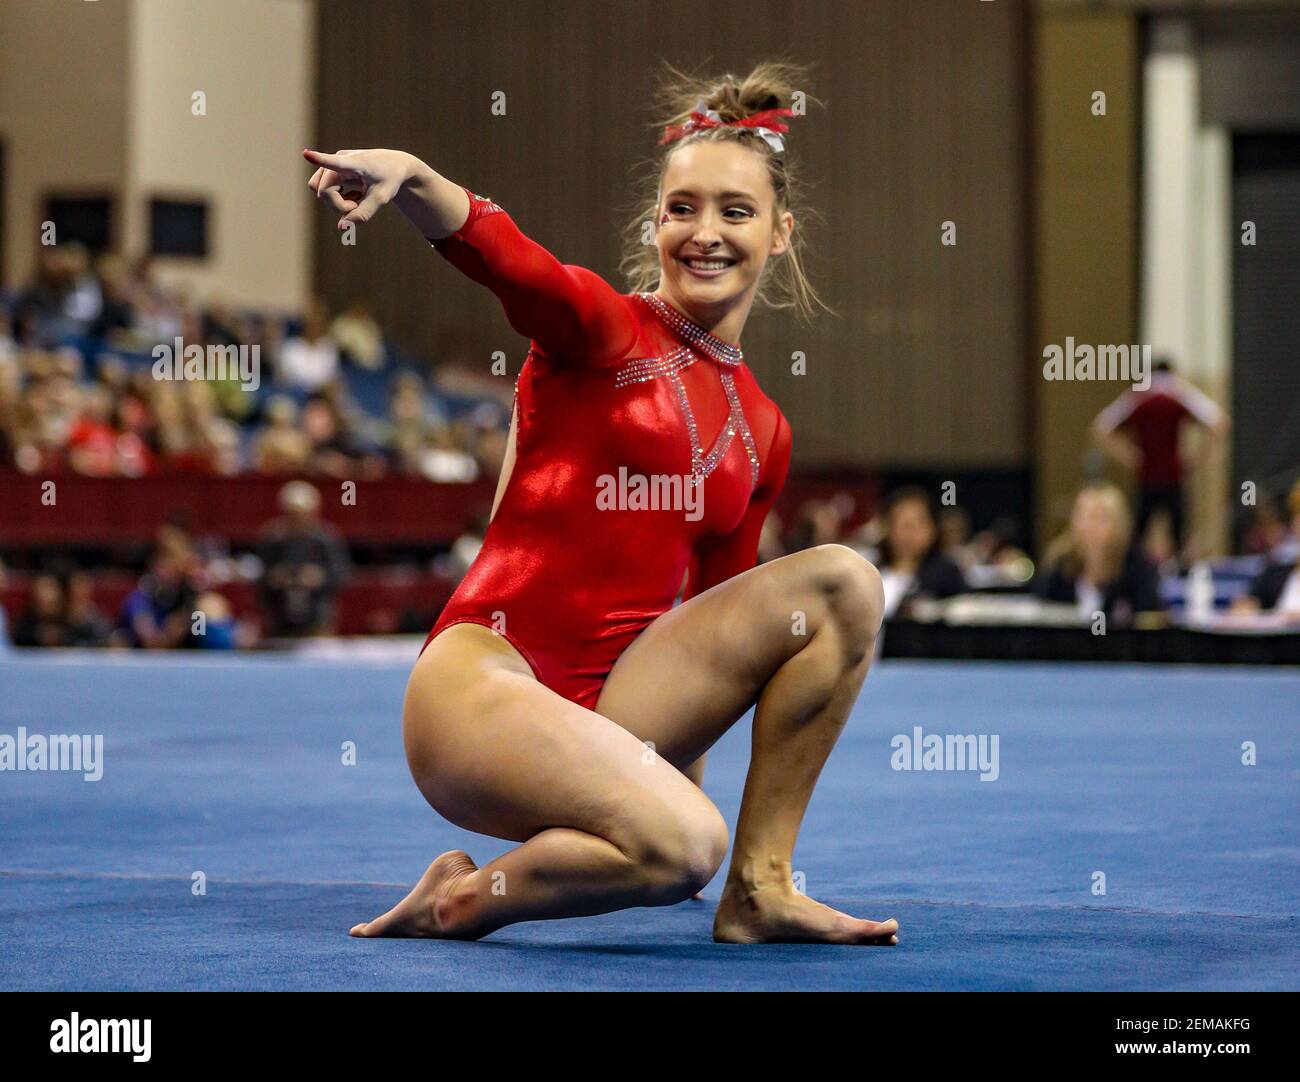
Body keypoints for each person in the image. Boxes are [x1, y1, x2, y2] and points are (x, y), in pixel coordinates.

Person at [304, 61, 898, 945]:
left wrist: (658, 792)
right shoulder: (603, 330)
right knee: (686, 844)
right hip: (482, 688)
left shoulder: (764, 430)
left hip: (613, 708)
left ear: (781, 234)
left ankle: (760, 886)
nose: (705, 233)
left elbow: (709, 627)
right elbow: (517, 266)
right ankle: (457, 900)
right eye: (682, 208)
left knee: (845, 584)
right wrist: (416, 181)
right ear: (655, 224)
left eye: (736, 212)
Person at [1091, 358, 1229, 550]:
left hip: (1146, 477)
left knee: (1136, 540)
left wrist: (1129, 456)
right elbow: (1219, 423)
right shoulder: (1180, 393)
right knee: (1179, 541)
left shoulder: (1137, 396)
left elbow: (1100, 428)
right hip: (1174, 477)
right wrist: (1198, 458)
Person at [1034, 482, 1162, 626]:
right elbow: (1040, 613)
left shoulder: (1137, 569)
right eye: (1082, 516)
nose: (1088, 526)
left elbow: (1149, 619)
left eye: (1098, 518)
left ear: (1118, 524)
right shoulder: (1060, 565)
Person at [257, 480, 350, 637]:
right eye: (291, 515)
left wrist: (319, 577)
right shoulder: (272, 539)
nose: (297, 521)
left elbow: (342, 575)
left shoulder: (326, 540)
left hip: (318, 618)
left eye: (301, 515)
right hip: (279, 620)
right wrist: (275, 578)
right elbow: (260, 577)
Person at [875, 486, 968, 618]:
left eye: (918, 523)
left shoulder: (946, 575)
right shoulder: (871, 570)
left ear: (933, 528)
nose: (909, 532)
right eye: (902, 523)